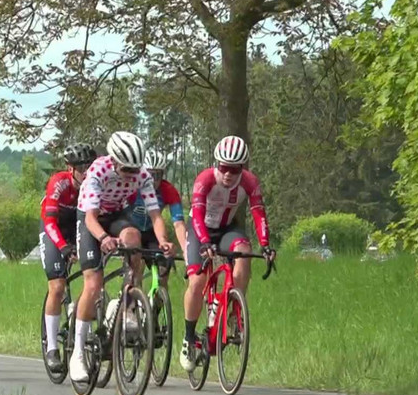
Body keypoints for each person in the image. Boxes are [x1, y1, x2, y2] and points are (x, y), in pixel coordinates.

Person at [68, 131, 174, 382]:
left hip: (116, 214)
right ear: (114, 162)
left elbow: (156, 216)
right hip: (90, 218)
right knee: (93, 284)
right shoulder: (97, 172)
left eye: (136, 169)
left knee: (133, 238)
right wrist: (104, 238)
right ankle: (77, 353)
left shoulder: (142, 175)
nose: (132, 175)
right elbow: (92, 218)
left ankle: (128, 305)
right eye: (127, 169)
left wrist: (163, 242)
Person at [179, 136, 275, 372]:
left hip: (227, 229)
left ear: (243, 169)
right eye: (223, 167)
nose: (228, 174)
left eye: (234, 169)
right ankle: (188, 338)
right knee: (198, 281)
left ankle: (234, 310)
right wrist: (203, 242)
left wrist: (265, 244)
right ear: (216, 164)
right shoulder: (205, 179)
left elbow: (259, 214)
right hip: (200, 228)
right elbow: (198, 215)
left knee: (244, 251)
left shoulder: (250, 182)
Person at [39, 143, 96, 372]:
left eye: (88, 166)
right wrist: (63, 247)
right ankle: (52, 348)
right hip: (54, 228)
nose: (85, 171)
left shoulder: (94, 185)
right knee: (58, 286)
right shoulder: (59, 183)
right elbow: (50, 221)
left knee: (93, 279)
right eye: (80, 167)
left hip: (79, 227)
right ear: (70, 168)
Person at [130, 149, 187, 283]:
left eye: (157, 175)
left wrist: (185, 249)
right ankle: (131, 299)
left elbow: (178, 223)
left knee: (163, 271)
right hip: (132, 230)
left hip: (152, 233)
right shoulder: (131, 187)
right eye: (148, 175)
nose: (152, 180)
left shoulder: (168, 190)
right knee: (134, 273)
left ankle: (159, 300)